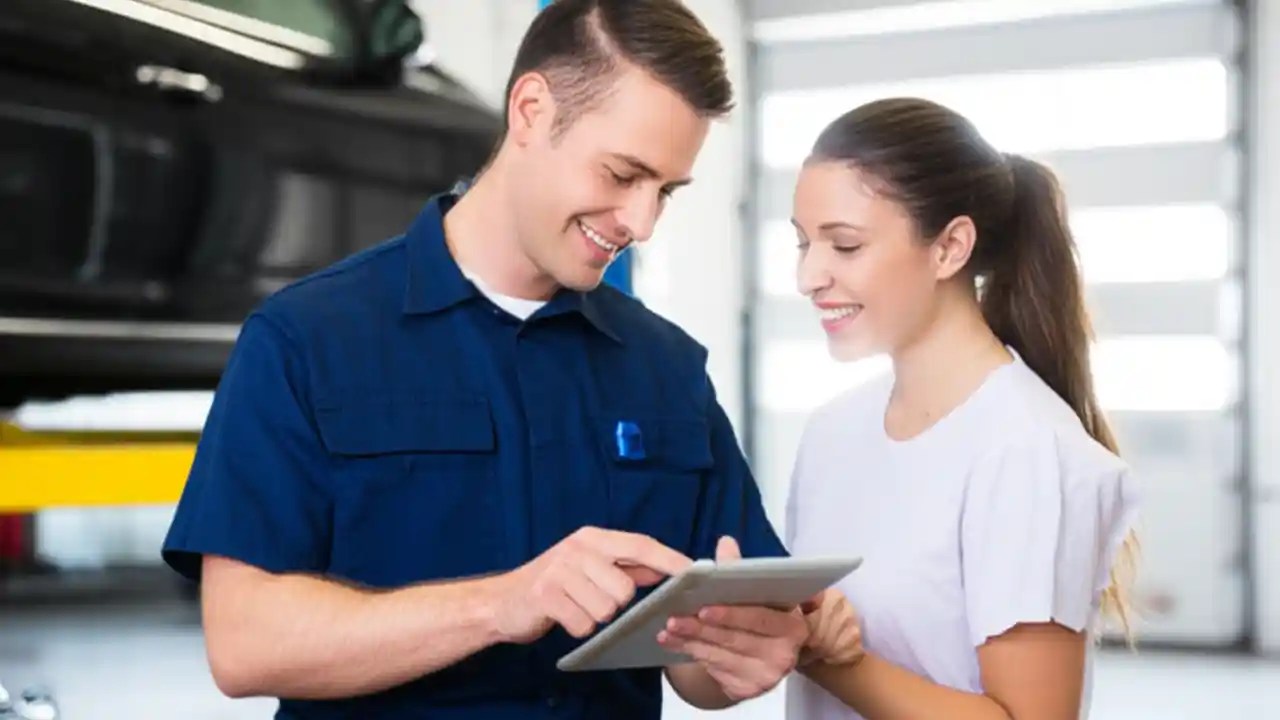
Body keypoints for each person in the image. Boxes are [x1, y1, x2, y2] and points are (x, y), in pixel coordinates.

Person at [160, 1, 812, 718]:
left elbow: (695, 668)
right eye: (623, 174)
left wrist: (743, 654)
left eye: (666, 190)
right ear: (530, 110)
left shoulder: (666, 367)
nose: (642, 222)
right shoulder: (306, 340)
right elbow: (246, 645)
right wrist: (504, 604)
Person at [782, 97, 1141, 719]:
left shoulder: (1030, 451)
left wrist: (835, 661)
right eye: (803, 243)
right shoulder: (830, 433)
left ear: (950, 247)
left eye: (844, 246)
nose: (809, 276)